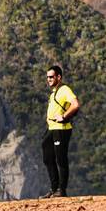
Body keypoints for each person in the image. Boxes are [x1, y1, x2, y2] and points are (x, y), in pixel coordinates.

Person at [42, 66, 80, 197]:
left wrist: (63, 117)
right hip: (51, 129)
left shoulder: (64, 89)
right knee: (47, 158)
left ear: (59, 77)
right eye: (47, 77)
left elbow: (75, 104)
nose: (49, 79)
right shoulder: (54, 92)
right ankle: (54, 189)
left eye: (51, 77)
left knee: (61, 159)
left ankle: (61, 190)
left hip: (61, 129)